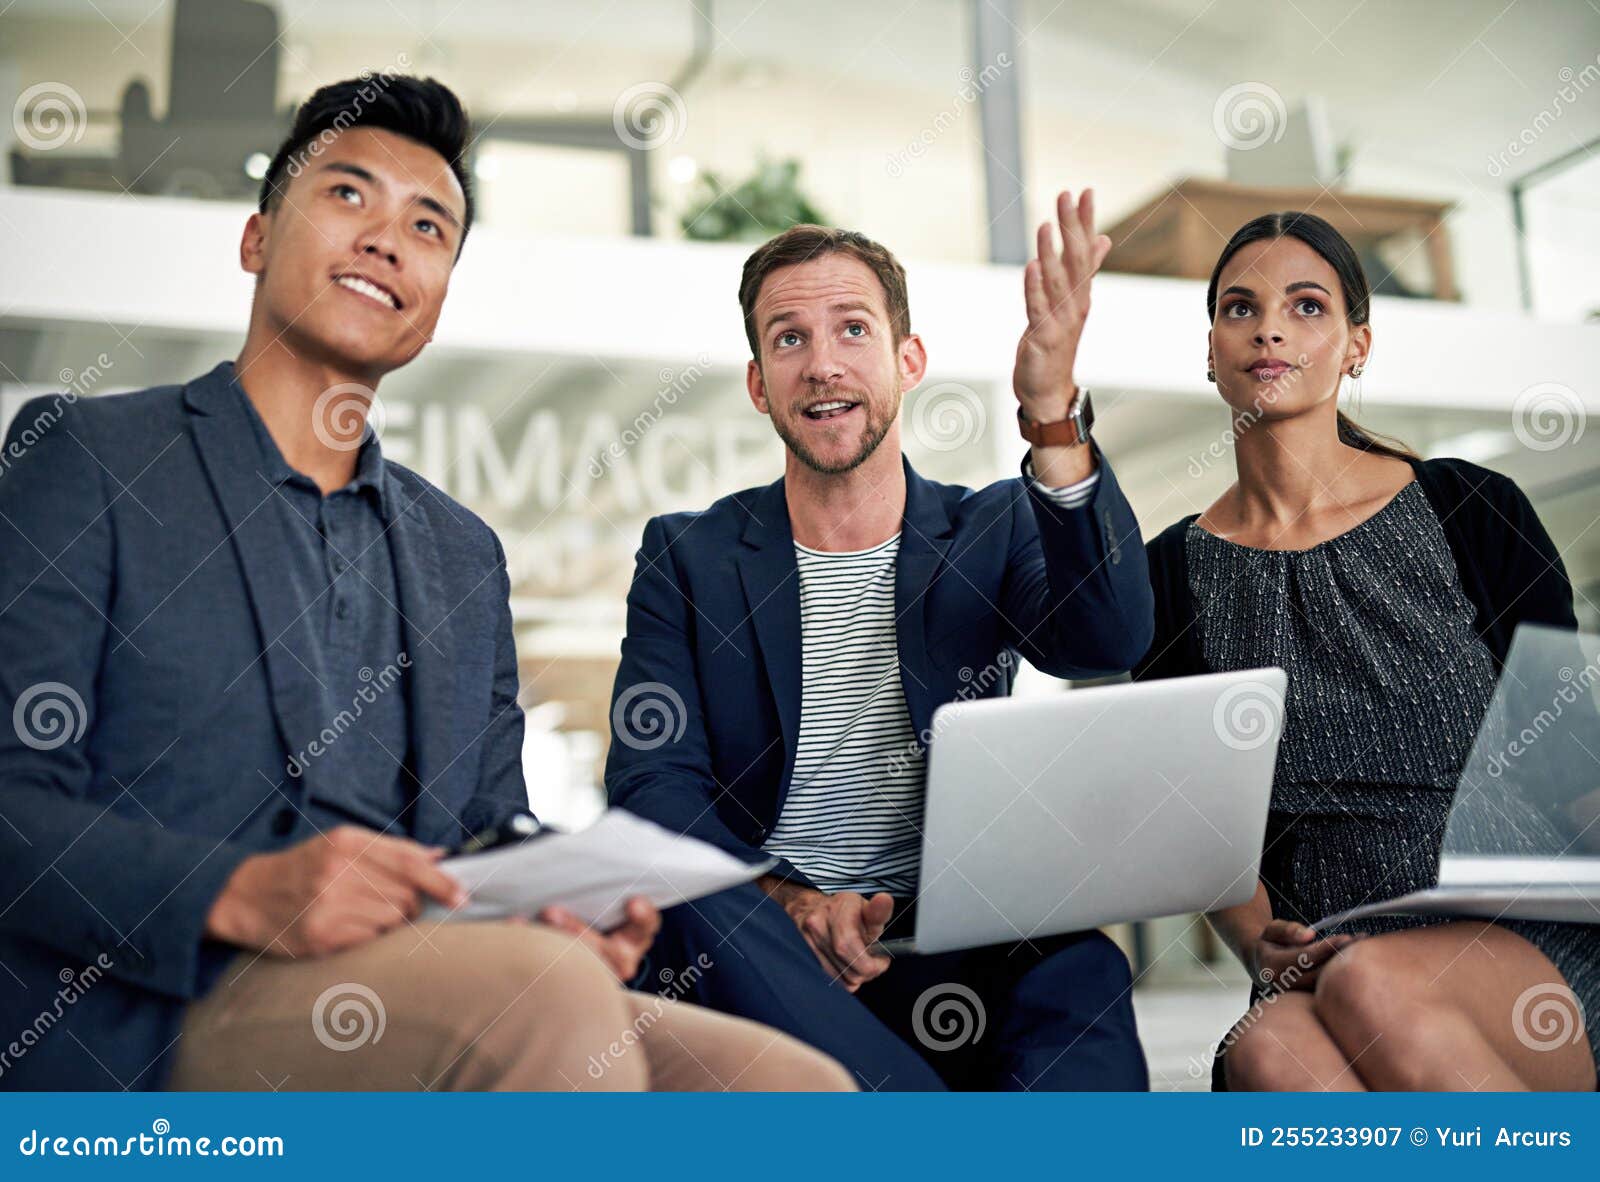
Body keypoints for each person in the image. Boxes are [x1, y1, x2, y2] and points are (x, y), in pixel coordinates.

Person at [0, 74, 851, 1094]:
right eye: (346, 195)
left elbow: (491, 830)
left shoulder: (461, 552)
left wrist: (555, 903)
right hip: (161, 1010)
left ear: (437, 300)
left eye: (429, 225)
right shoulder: (89, 459)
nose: (385, 237)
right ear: (256, 239)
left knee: (788, 1091)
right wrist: (239, 891)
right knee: (541, 1002)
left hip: (435, 972)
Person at [605, 192, 1155, 1090]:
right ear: (758, 384)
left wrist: (1052, 412)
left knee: (1081, 962)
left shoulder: (994, 528)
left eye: (852, 330)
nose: (822, 365)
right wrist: (788, 897)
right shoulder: (688, 555)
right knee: (696, 900)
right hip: (763, 943)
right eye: (788, 340)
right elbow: (650, 782)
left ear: (909, 359)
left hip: (945, 936)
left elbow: (1107, 637)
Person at [1134, 209, 1599, 1092]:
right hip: (1328, 945)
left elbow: (1572, 749)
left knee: (1371, 985)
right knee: (1264, 1052)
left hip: (1523, 940)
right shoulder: (1170, 577)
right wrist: (1253, 940)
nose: (1269, 326)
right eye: (1241, 307)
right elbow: (1204, 820)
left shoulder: (1471, 508)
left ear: (1356, 345)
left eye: (1306, 306)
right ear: (1211, 351)